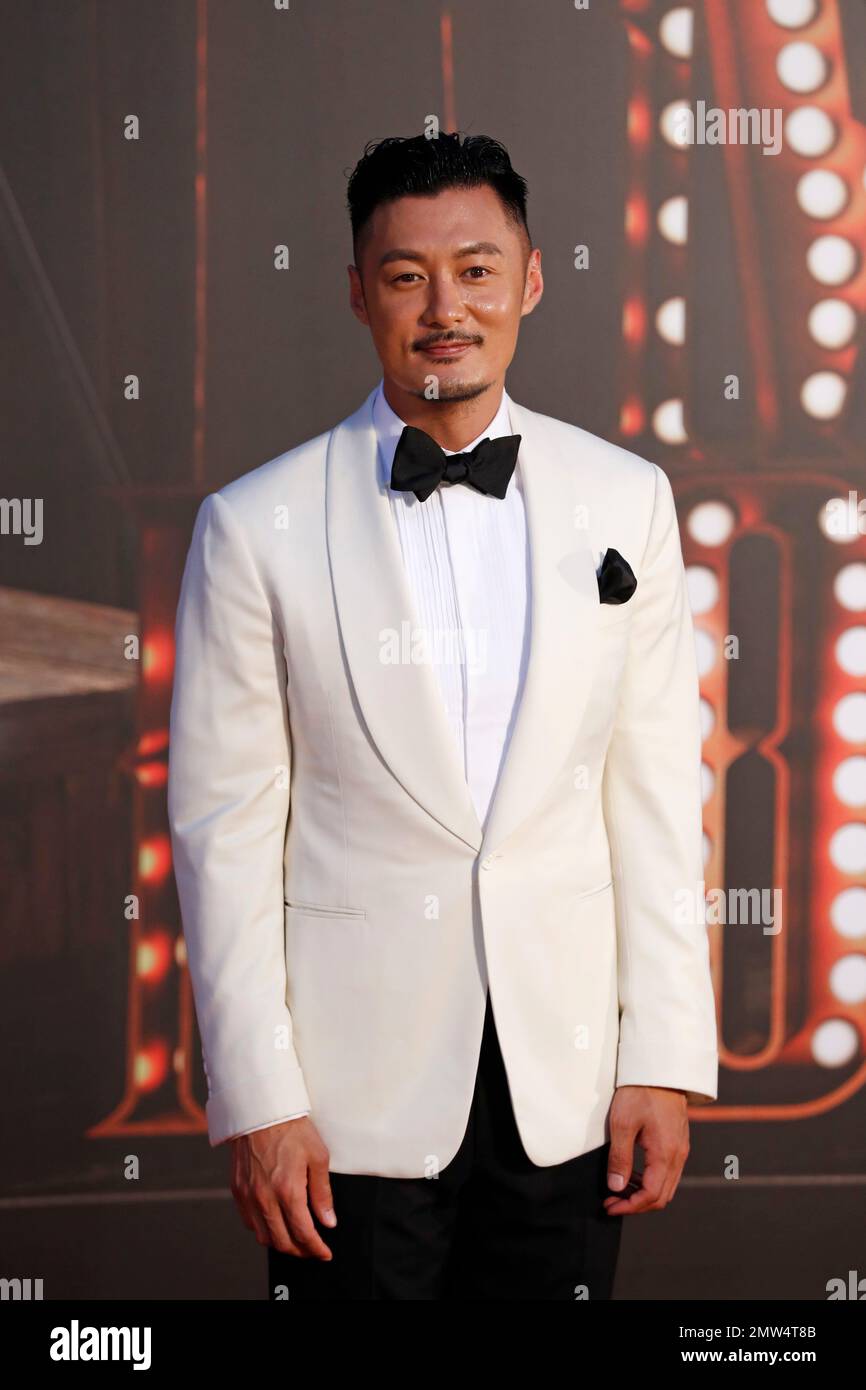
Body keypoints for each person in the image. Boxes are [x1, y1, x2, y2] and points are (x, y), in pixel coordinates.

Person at [167, 131, 718, 1301]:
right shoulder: (252, 526)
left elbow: (660, 797)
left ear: (527, 278)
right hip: (346, 1111)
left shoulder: (629, 500)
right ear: (357, 292)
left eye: (474, 268)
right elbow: (223, 835)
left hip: (564, 1098)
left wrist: (662, 1060)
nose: (443, 307)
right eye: (407, 275)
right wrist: (259, 1099)